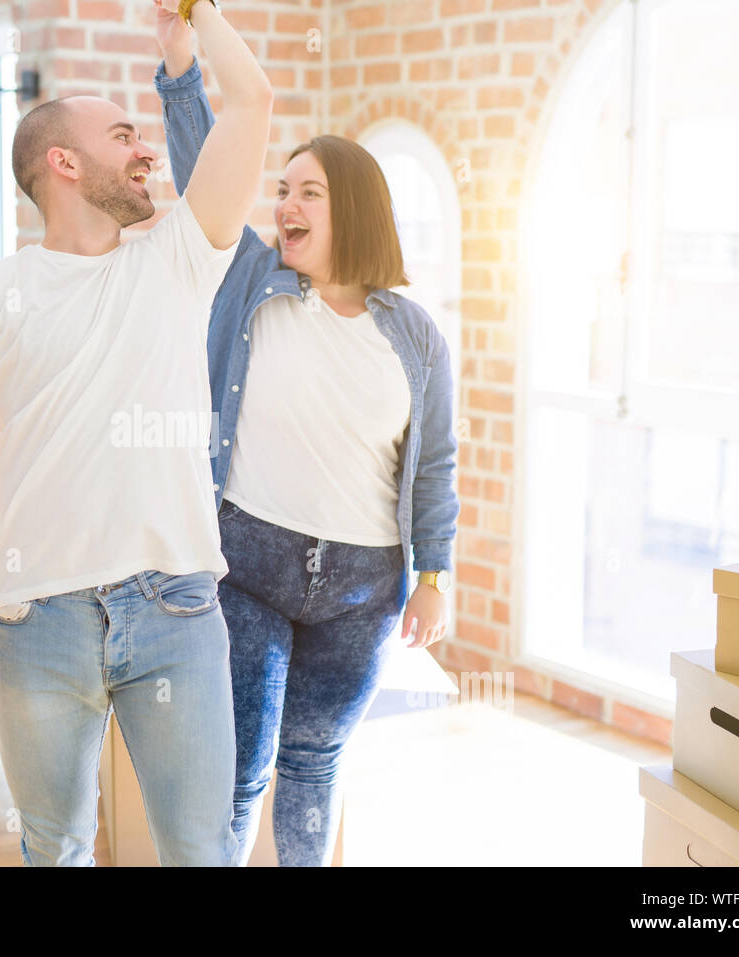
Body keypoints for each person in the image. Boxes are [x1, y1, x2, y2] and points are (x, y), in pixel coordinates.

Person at [0, 0, 272, 866]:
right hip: (39, 621)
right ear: (62, 162)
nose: (146, 148)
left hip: (177, 607)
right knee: (55, 848)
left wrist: (194, 24)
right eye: (122, 135)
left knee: (199, 852)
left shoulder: (181, 255)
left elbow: (252, 102)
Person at [153, 12, 461, 866]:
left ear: (352, 210)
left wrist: (434, 576)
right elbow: (201, 163)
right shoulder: (253, 281)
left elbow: (434, 463)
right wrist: (180, 56)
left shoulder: (416, 335)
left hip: (364, 589)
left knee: (315, 764)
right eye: (281, 190)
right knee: (242, 769)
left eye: (307, 193)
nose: (283, 205)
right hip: (249, 561)